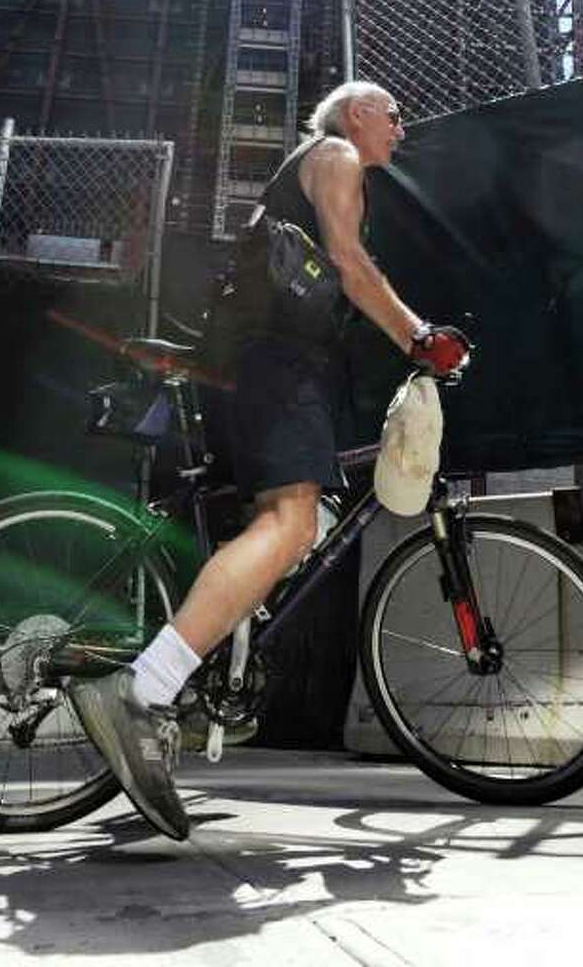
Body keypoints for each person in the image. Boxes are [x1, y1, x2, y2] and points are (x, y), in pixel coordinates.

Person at [68, 80, 470, 840]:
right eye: (394, 112)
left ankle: (204, 659)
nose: (402, 128)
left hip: (271, 359)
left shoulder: (321, 166)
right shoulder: (339, 153)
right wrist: (420, 337)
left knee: (299, 522)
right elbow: (349, 264)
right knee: (290, 521)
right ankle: (142, 690)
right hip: (275, 359)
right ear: (357, 112)